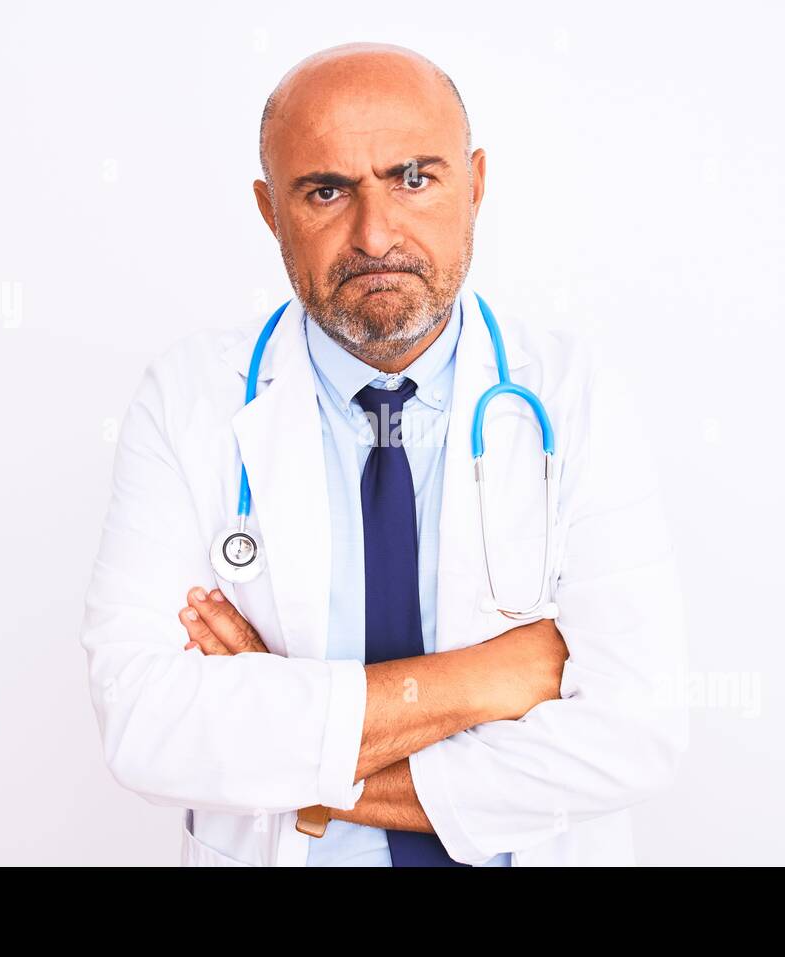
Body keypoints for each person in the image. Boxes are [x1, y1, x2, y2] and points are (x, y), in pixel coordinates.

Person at [80, 41, 688, 866]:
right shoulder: (188, 400)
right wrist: (485, 680)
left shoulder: (575, 396)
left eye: (413, 178)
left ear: (475, 183)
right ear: (269, 211)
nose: (375, 233)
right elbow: (147, 725)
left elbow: (634, 733)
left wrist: (301, 753)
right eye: (326, 191)